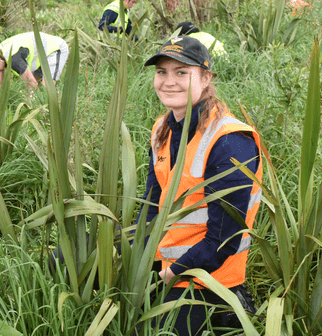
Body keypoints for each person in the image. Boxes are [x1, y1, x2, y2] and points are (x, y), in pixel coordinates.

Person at [141, 36, 261, 335]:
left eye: (182, 72)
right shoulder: (162, 128)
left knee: (157, 330)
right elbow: (151, 206)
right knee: (64, 260)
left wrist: (162, 278)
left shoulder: (230, 140)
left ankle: (231, 307)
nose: (169, 81)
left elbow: (223, 241)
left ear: (206, 78)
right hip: (165, 255)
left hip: (209, 272)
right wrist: (134, 260)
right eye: (162, 72)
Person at [0, 32, 69, 87]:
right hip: (38, 55)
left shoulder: (14, 59)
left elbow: (32, 85)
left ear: (0, 62)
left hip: (55, 49)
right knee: (35, 84)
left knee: (47, 87)